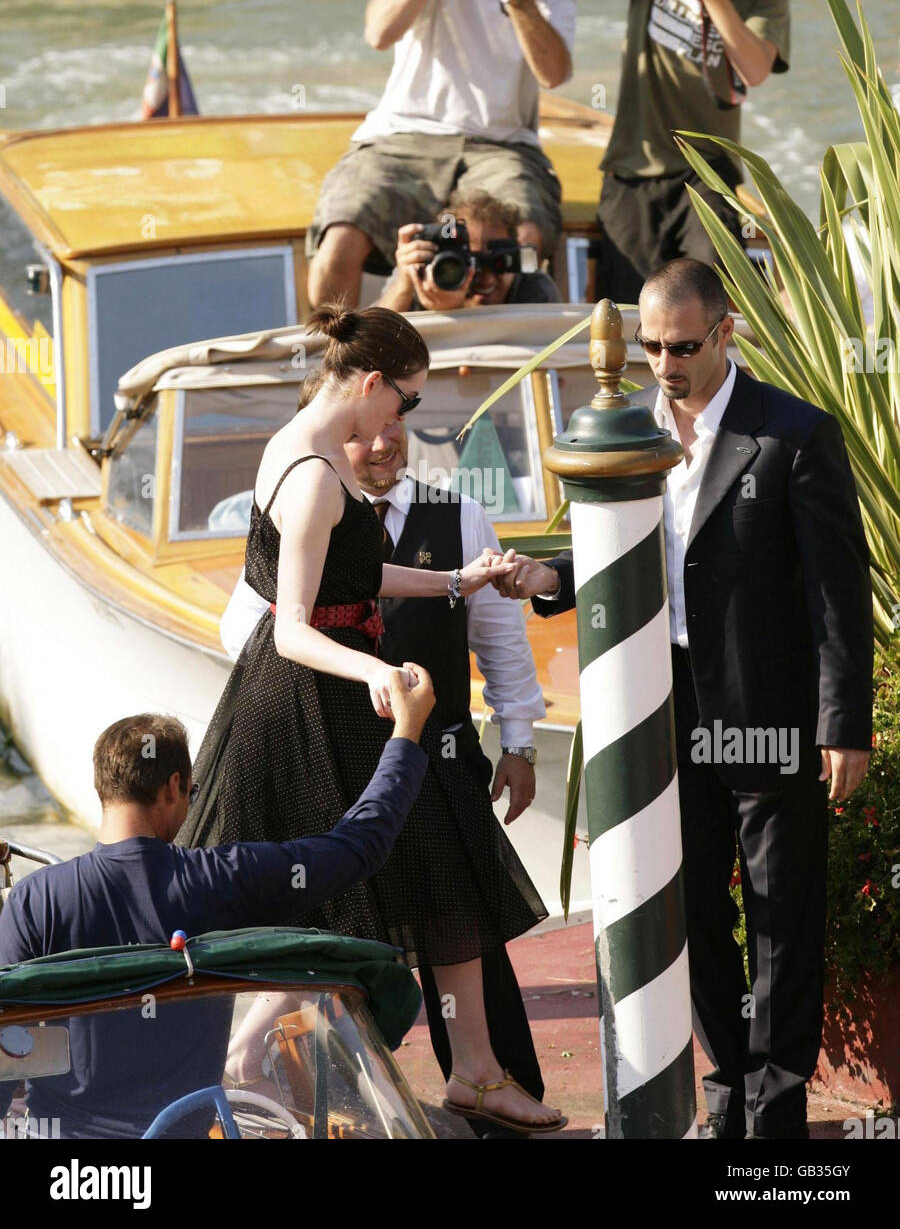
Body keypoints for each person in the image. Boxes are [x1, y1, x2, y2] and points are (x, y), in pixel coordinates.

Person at [493, 258, 873, 1139]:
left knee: (781, 910)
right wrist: (548, 575)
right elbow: (619, 552)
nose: (664, 363)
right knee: (689, 901)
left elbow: (836, 592)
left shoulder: (794, 434)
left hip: (768, 711)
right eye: (653, 345)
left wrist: (841, 722)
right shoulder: (629, 428)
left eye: (682, 346)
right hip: (663, 710)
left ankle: (778, 1105)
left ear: (726, 332)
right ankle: (727, 1085)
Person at [178, 304, 564, 1135]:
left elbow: (356, 575)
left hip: (328, 696)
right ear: (372, 382)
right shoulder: (316, 475)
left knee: (438, 856)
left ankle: (476, 1071)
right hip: (307, 706)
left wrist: (456, 581)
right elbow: (289, 626)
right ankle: (250, 1066)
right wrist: (381, 672)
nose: (403, 422)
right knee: (328, 891)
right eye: (406, 401)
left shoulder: (304, 447)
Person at [0, 687, 433, 1137]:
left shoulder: (35, 900)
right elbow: (359, 844)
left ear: (103, 790)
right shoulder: (220, 880)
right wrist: (408, 728)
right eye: (192, 791)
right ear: (173, 787)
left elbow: (5, 1041)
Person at [306, 0, 576, 308]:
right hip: (403, 136)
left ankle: (497, 364)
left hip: (502, 145)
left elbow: (553, 74)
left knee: (519, 243)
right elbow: (378, 33)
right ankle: (338, 361)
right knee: (340, 235)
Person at [571, 0, 790, 305]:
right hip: (634, 166)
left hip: (708, 169)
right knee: (630, 310)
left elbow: (754, 69)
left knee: (700, 302)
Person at [378, 188, 563, 312]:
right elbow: (370, 347)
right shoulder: (417, 272)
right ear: (438, 257)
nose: (486, 279)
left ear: (516, 258)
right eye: (469, 264)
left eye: (498, 264)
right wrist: (403, 290)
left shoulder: (534, 288)